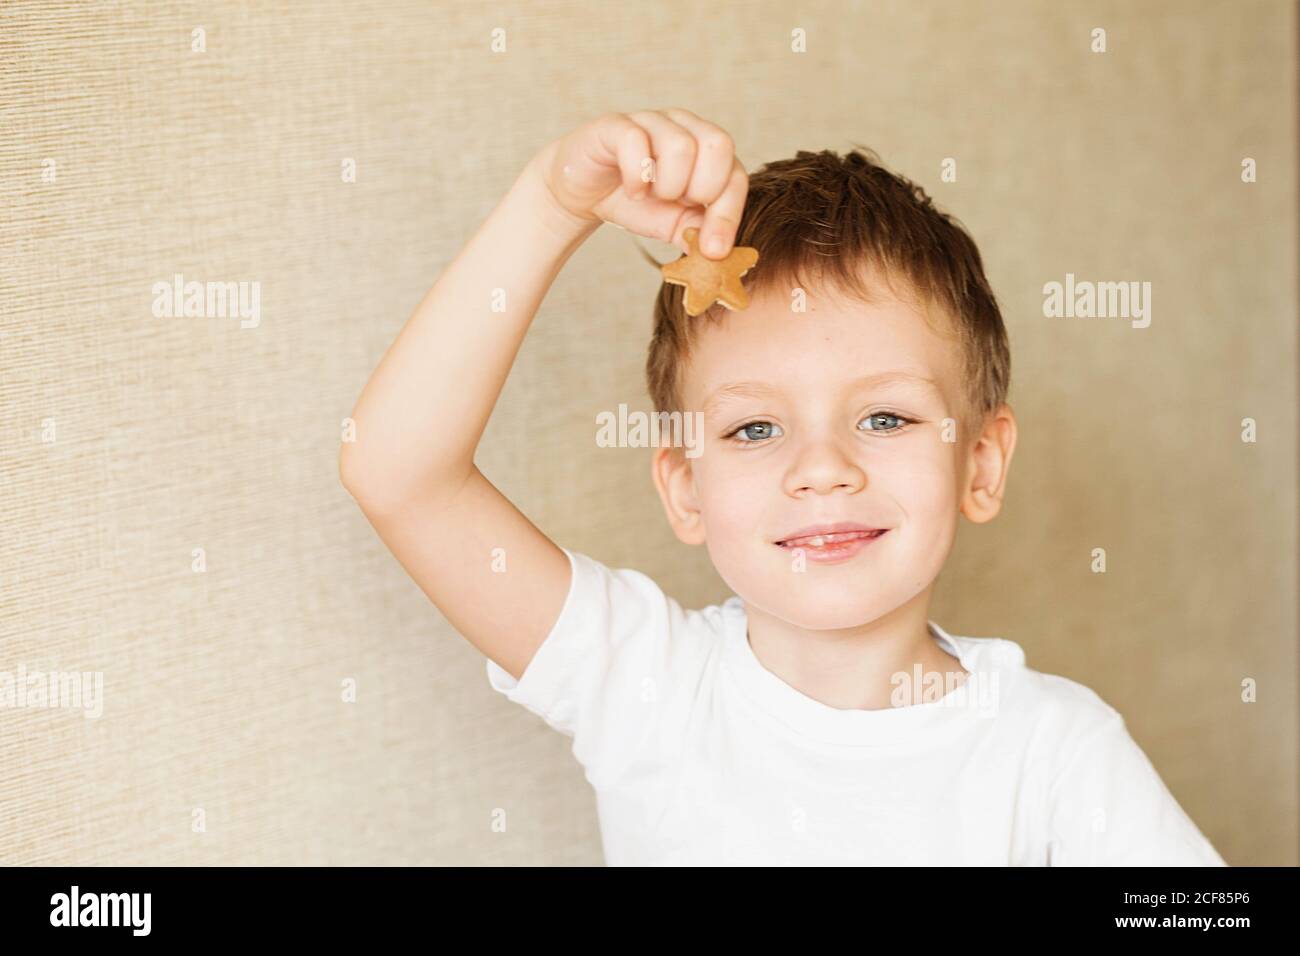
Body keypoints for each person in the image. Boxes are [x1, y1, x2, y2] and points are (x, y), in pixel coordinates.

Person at [340, 108, 1226, 866]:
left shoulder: (1052, 750)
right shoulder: (646, 683)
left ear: (982, 464)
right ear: (686, 490)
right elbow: (399, 476)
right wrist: (551, 202)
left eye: (884, 417)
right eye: (754, 429)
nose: (821, 468)